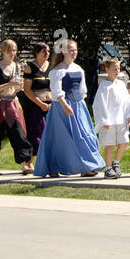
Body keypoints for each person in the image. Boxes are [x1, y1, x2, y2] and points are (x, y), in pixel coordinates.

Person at [34, 40, 105, 178]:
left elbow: (82, 89)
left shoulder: (78, 68)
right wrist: (65, 105)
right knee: (61, 139)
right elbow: (56, 91)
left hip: (78, 106)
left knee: (85, 135)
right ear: (64, 52)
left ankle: (87, 165)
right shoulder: (57, 70)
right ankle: (54, 166)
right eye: (71, 50)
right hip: (62, 108)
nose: (74, 53)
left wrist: (80, 102)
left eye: (76, 50)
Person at [0, 40, 34, 176]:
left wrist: (18, 87)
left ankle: (24, 163)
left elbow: (17, 88)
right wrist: (7, 84)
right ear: (3, 51)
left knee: (18, 133)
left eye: (14, 50)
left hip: (13, 104)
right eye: (10, 50)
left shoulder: (17, 66)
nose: (13, 53)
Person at [92, 57, 130, 179]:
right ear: (107, 69)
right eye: (114, 69)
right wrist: (104, 120)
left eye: (118, 69)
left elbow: (126, 101)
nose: (117, 71)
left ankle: (116, 162)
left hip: (121, 119)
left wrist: (129, 115)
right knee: (109, 144)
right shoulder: (104, 86)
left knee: (124, 141)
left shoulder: (121, 84)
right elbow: (100, 104)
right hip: (109, 121)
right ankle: (108, 168)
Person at [18, 41, 52, 156]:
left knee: (51, 133)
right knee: (37, 133)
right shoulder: (30, 67)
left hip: (51, 105)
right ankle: (29, 161)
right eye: (44, 51)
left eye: (48, 51)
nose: (47, 53)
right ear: (37, 52)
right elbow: (27, 90)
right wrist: (41, 104)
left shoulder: (52, 66)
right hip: (35, 105)